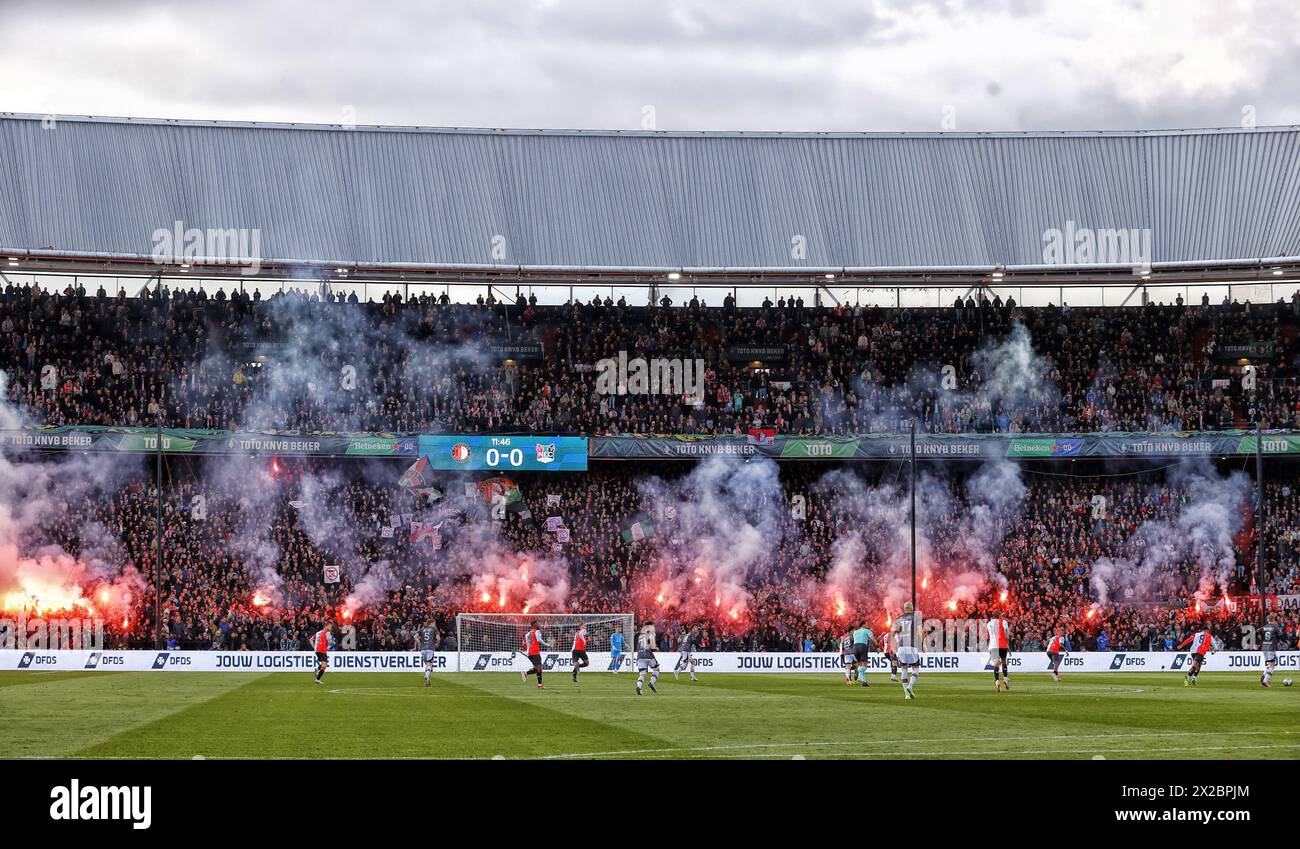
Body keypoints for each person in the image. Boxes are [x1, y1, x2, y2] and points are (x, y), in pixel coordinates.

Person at [893, 602, 922, 700]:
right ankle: (910, 686)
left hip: (901, 647)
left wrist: (894, 645)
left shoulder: (898, 619)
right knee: (916, 668)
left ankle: (906, 694)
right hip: (912, 645)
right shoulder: (916, 618)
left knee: (904, 669)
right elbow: (919, 632)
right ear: (912, 608)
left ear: (904, 609)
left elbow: (893, 633)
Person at [519, 620, 550, 689]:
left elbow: (527, 644)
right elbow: (539, 640)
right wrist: (547, 644)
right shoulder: (536, 631)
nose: (539, 625)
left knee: (538, 668)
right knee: (539, 668)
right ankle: (527, 674)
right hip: (535, 652)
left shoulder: (528, 634)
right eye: (537, 624)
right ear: (533, 625)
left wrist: (527, 651)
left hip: (530, 653)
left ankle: (538, 684)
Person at [987, 614, 1011, 691]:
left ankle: (997, 681)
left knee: (996, 664)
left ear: (993, 616)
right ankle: (1005, 678)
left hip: (993, 645)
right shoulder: (1004, 622)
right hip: (1003, 644)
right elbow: (1007, 635)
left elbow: (988, 636)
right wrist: (1008, 645)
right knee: (1004, 661)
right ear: (1000, 616)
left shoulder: (989, 623)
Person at [635, 622, 659, 695]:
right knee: (656, 669)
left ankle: (639, 687)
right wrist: (656, 648)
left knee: (642, 674)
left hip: (640, 656)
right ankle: (651, 683)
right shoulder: (651, 634)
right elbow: (652, 646)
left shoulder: (640, 636)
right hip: (648, 656)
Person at [414, 620, 438, 687]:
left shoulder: (422, 630)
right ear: (431, 623)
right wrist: (437, 644)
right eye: (434, 623)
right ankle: (426, 676)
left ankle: (427, 680)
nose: (435, 625)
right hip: (430, 649)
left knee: (427, 665)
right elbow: (438, 639)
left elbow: (415, 637)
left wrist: (419, 643)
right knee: (429, 664)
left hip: (423, 650)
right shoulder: (434, 629)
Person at [851, 622, 874, 687]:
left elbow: (853, 639)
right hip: (862, 646)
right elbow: (872, 639)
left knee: (860, 665)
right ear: (863, 625)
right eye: (866, 624)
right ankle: (859, 676)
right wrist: (877, 646)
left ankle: (864, 682)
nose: (868, 625)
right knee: (865, 665)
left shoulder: (855, 632)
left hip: (855, 647)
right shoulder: (867, 631)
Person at [1260, 620, 1281, 688]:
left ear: (1268, 620)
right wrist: (1285, 641)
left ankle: (1264, 675)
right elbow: (1281, 635)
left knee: (1269, 664)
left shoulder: (1264, 627)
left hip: (1264, 648)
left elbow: (1257, 631)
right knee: (1272, 665)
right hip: (1271, 647)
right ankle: (1265, 681)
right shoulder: (1275, 627)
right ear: (1273, 620)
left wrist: (1258, 640)